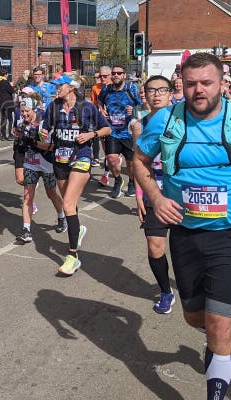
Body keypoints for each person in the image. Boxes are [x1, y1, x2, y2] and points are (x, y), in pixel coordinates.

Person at [133, 52, 231, 400]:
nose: (198, 90)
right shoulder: (164, 121)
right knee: (196, 319)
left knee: (219, 324)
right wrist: (157, 199)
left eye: (206, 82)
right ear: (181, 85)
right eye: (191, 84)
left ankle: (216, 381)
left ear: (222, 83)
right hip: (185, 234)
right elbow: (140, 161)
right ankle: (220, 348)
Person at [42, 72, 111, 276]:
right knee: (68, 202)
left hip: (81, 157)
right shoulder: (53, 107)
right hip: (60, 159)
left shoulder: (87, 107)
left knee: (68, 205)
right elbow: (46, 127)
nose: (56, 89)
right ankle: (77, 228)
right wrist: (44, 132)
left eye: (59, 86)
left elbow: (107, 129)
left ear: (70, 87)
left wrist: (92, 134)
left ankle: (73, 256)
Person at [130, 75, 176, 314]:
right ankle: (166, 291)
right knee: (155, 247)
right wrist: (139, 193)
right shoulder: (139, 125)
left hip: (182, 194)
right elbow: (137, 162)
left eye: (162, 89)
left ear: (170, 93)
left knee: (185, 249)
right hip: (153, 192)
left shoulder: (183, 119)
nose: (156, 94)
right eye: (151, 90)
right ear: (144, 96)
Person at [13, 96, 66, 243]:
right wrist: (18, 138)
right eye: (22, 111)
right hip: (30, 163)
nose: (24, 114)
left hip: (46, 163)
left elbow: (51, 146)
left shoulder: (43, 123)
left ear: (34, 109)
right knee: (27, 196)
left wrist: (33, 142)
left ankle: (62, 216)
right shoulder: (20, 122)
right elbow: (19, 142)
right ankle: (26, 230)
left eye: (27, 111)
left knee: (51, 193)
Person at [98, 65, 141, 199]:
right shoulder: (106, 89)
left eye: (119, 73)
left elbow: (143, 104)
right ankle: (117, 180)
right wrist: (101, 109)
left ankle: (132, 182)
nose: (116, 75)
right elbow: (99, 100)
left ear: (124, 75)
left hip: (129, 132)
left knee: (131, 162)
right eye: (114, 73)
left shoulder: (132, 89)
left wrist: (134, 110)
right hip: (113, 131)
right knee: (111, 158)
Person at [0, 69, 16, 141]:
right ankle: (10, 134)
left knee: (3, 119)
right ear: (5, 74)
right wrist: (11, 85)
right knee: (10, 119)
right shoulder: (5, 82)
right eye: (7, 74)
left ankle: (3, 135)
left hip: (1, 104)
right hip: (8, 104)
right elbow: (12, 91)